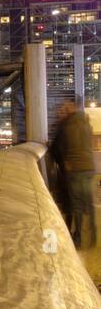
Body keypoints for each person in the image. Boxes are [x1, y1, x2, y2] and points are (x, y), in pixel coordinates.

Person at [50, 102, 96, 249]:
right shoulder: (87, 125)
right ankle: (94, 235)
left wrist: (64, 164)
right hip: (89, 168)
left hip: (75, 170)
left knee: (76, 205)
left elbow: (59, 149)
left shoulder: (66, 127)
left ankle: (79, 238)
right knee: (88, 202)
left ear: (69, 112)